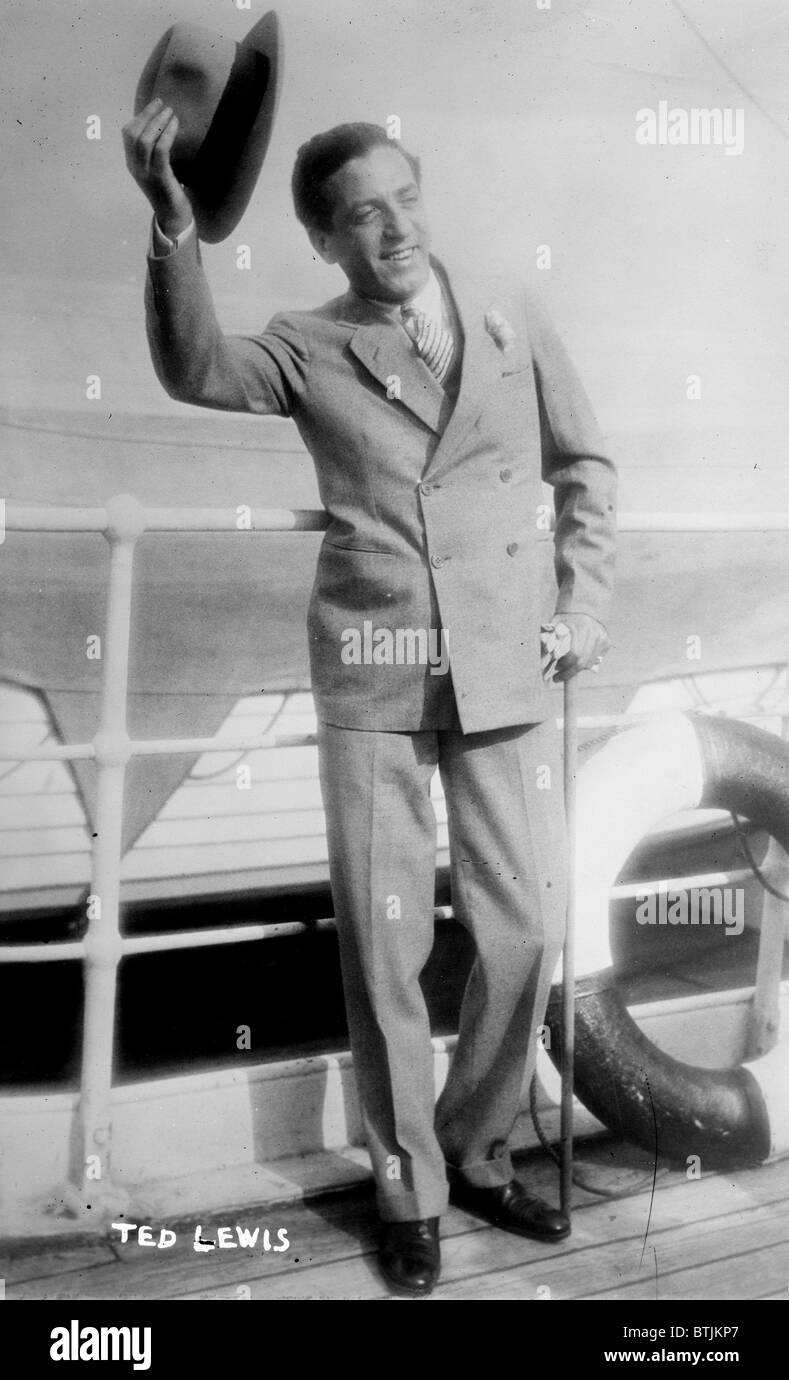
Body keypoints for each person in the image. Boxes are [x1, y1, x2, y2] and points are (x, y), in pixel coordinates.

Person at [123, 102, 616, 1297]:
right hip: (376, 670)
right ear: (326, 241)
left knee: (525, 930)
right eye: (361, 215)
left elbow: (584, 464)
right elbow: (195, 368)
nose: (392, 228)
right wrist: (174, 224)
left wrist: (584, 599)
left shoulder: (512, 316)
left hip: (508, 662)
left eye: (404, 199)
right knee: (387, 951)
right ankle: (412, 1189)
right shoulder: (305, 342)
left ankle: (479, 1143)